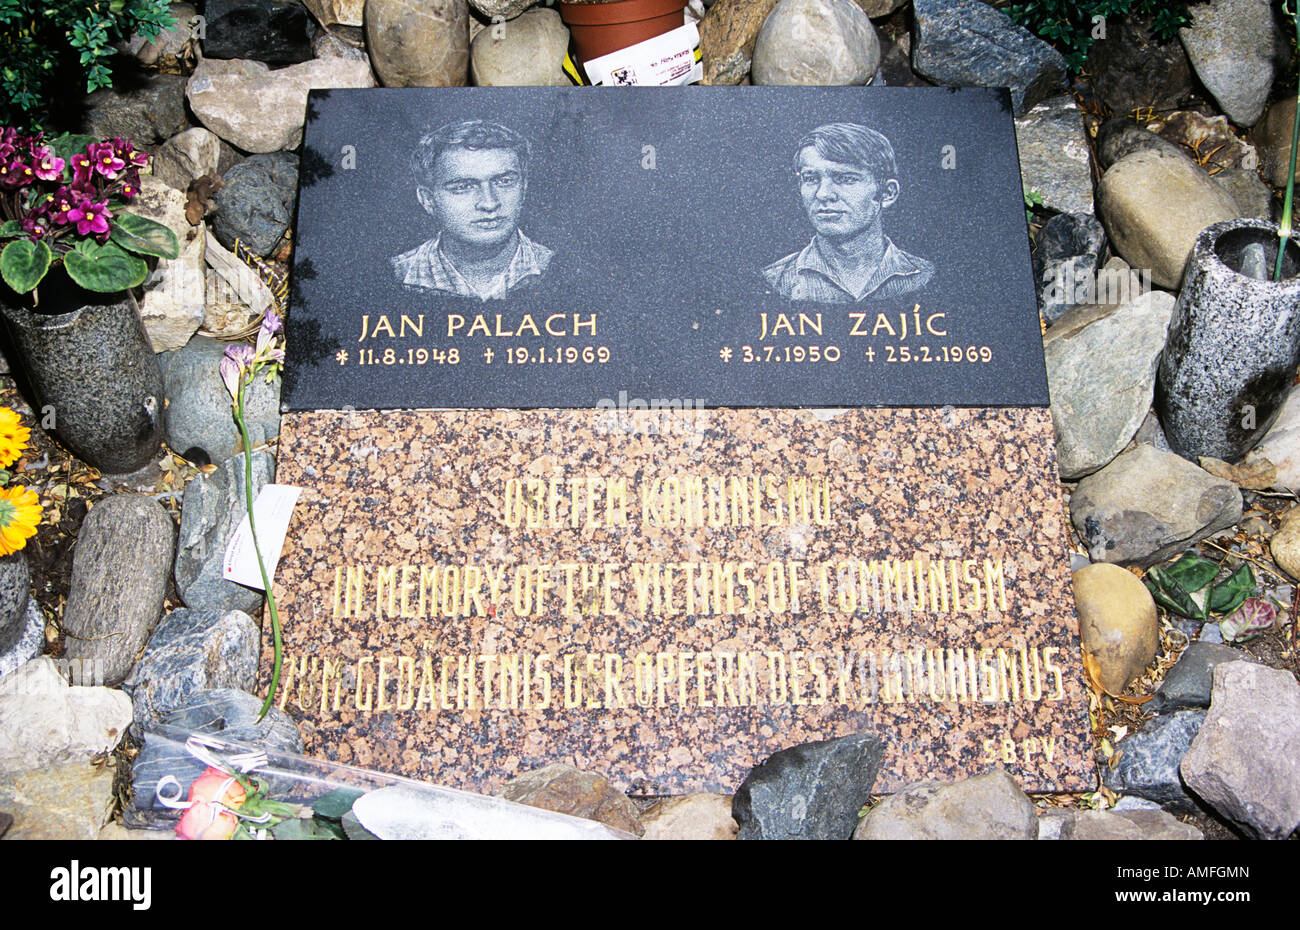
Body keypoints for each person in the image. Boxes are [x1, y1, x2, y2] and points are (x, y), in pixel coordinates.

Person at [763, 122, 934, 303]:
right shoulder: (776, 279)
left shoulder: (923, 276)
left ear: (887, 193)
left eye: (846, 179)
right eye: (811, 179)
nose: (823, 194)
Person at [392, 120, 553, 300]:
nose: (489, 203)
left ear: (523, 188)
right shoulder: (393, 275)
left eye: (504, 182)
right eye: (463, 186)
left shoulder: (557, 266)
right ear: (428, 200)